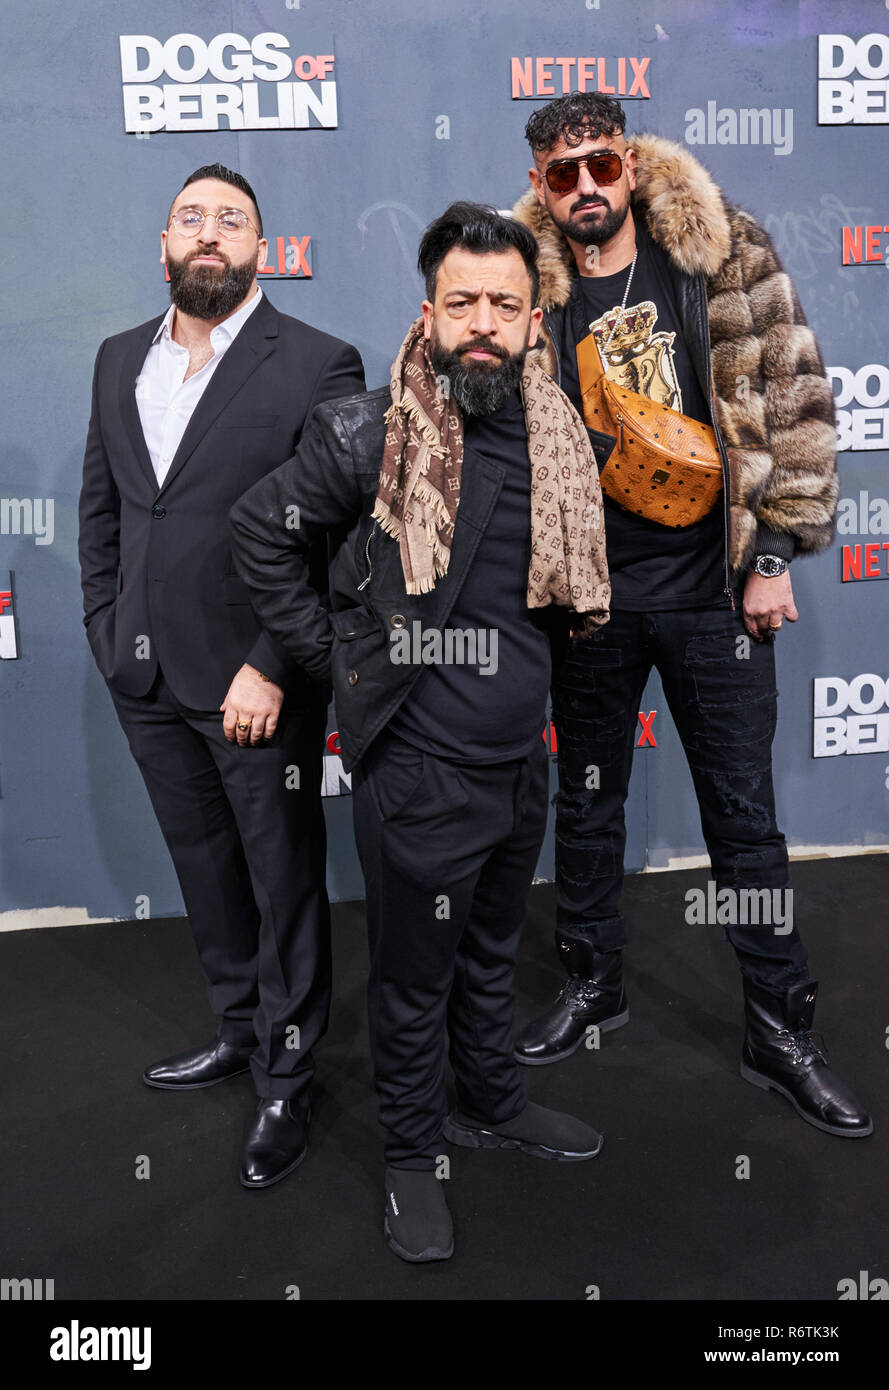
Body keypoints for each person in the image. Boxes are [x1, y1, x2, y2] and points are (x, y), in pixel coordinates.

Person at [230, 202, 611, 1261]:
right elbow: (260, 533)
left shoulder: (558, 436)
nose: (482, 321)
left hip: (516, 761)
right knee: (410, 979)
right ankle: (409, 1155)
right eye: (462, 303)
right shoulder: (369, 431)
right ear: (429, 313)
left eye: (504, 303)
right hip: (419, 772)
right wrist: (337, 664)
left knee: (491, 954)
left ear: (535, 322)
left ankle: (490, 1099)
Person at [508, 93, 872, 1139]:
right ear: (540, 183)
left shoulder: (719, 248)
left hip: (715, 590)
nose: (584, 187)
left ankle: (777, 1026)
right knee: (585, 805)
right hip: (589, 600)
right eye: (562, 173)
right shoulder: (522, 282)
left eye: (599, 166)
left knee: (743, 817)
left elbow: (796, 398)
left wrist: (771, 553)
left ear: (630, 165)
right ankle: (593, 982)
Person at [78, 163, 366, 1189]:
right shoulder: (119, 359)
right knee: (204, 869)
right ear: (163, 244)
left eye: (231, 221)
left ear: (261, 247)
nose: (210, 235)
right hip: (144, 676)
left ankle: (290, 1072)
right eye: (190, 219)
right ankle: (239, 1029)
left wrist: (272, 665)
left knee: (280, 875)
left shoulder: (321, 365)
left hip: (254, 683)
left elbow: (335, 544)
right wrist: (106, 628)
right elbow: (106, 510)